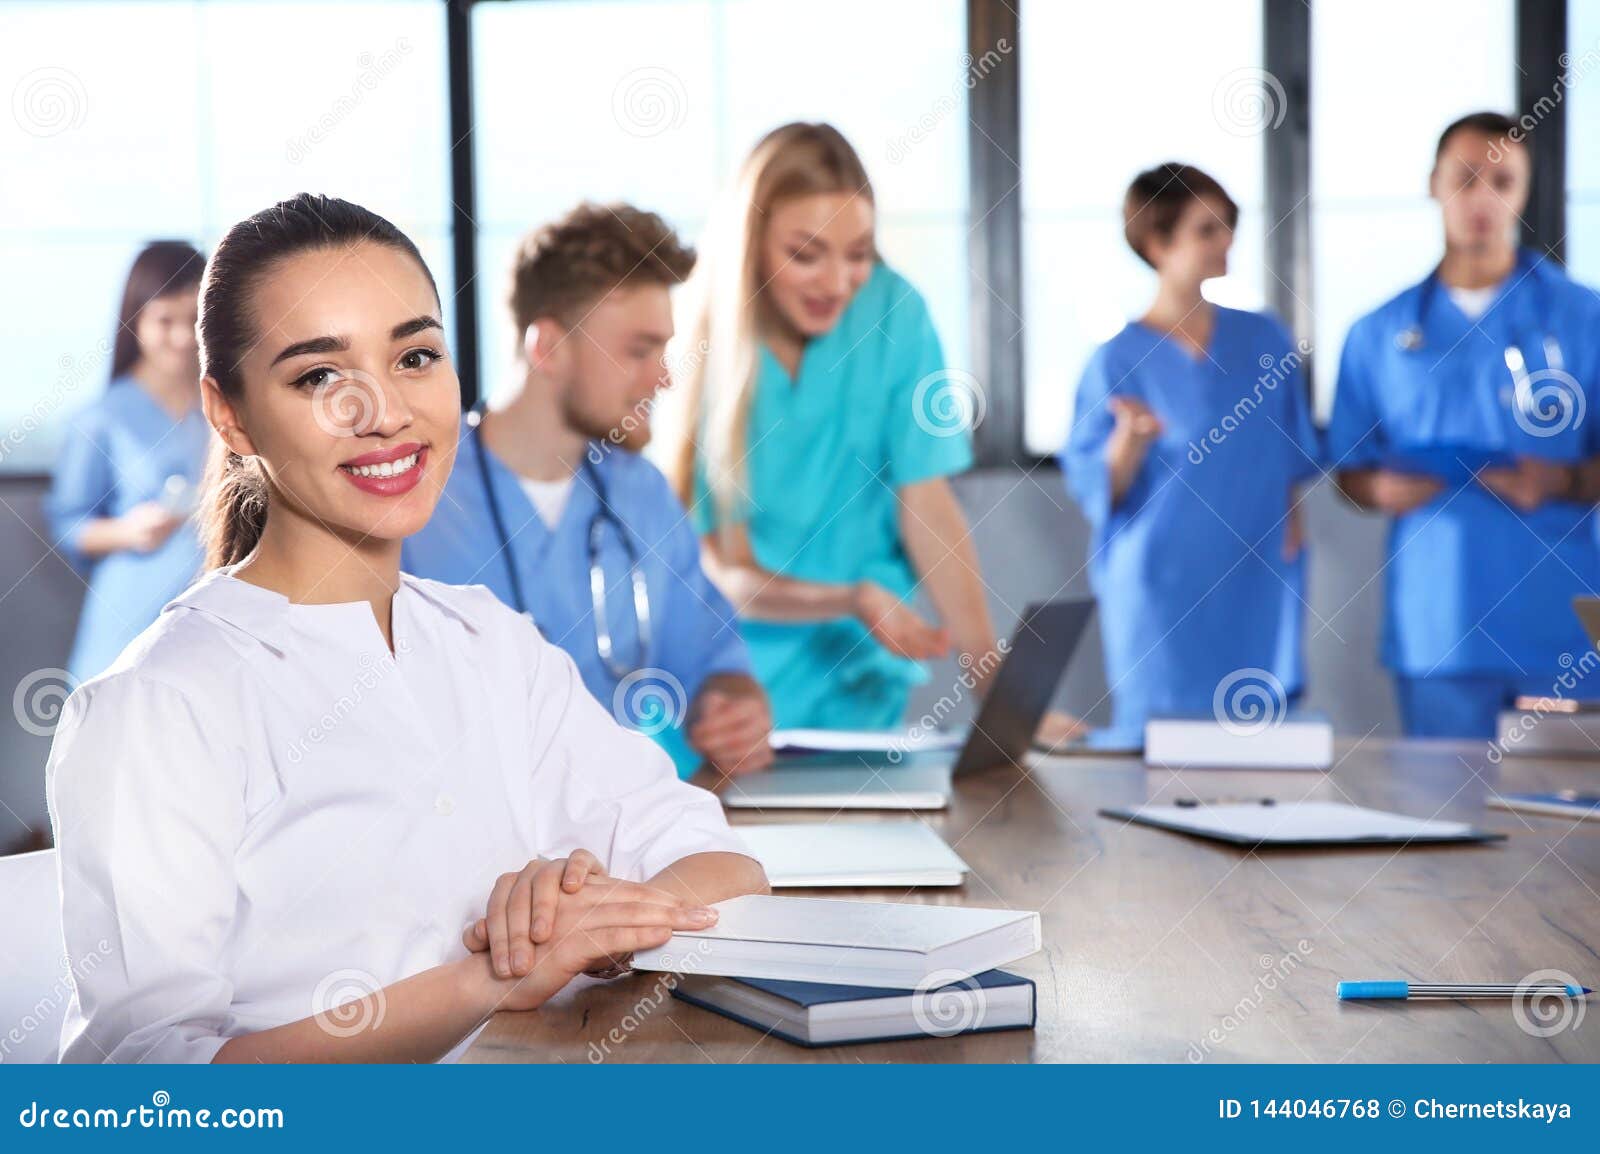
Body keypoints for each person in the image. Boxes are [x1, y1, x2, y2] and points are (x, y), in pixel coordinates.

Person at [46, 193, 766, 1064]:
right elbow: (144, 1092)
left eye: (416, 356)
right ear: (228, 413)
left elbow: (723, 867)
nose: (384, 411)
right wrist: (491, 978)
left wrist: (595, 919)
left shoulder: (492, 645)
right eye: (319, 376)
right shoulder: (159, 705)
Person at [668, 121, 1014, 733]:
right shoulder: (704, 341)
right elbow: (722, 570)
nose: (836, 283)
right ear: (751, 245)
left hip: (859, 682)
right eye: (805, 254)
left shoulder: (895, 312)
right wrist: (849, 600)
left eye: (857, 254)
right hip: (737, 693)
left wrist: (993, 680)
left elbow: (926, 503)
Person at [403, 203, 771, 778]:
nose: (664, 377)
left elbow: (711, 658)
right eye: (639, 351)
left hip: (612, 823)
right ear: (548, 349)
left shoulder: (642, 496)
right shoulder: (414, 495)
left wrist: (732, 705)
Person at [1327, 113, 1600, 738]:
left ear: (1525, 192)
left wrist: (1561, 480)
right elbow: (1349, 472)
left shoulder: (1585, 319)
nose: (1483, 199)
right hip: (1440, 627)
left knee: (1567, 802)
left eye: (1502, 182)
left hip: (1559, 625)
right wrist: (1378, 489)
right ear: (1434, 184)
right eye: (1466, 178)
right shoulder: (1378, 333)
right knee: (1443, 796)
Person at [1061, 164, 1318, 735]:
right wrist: (1128, 443)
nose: (1225, 241)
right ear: (1157, 243)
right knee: (1158, 743)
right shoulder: (1116, 358)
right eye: (1206, 230)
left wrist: (1292, 538)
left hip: (1253, 574)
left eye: (1227, 225)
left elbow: (1290, 458)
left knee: (1255, 741)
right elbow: (1098, 488)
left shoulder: (1264, 339)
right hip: (1160, 582)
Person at [48, 241, 210, 683]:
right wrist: (128, 531)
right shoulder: (101, 418)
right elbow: (68, 522)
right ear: (135, 318)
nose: (183, 337)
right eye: (165, 320)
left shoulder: (227, 410)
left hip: (212, 620)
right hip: (130, 616)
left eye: (195, 319)